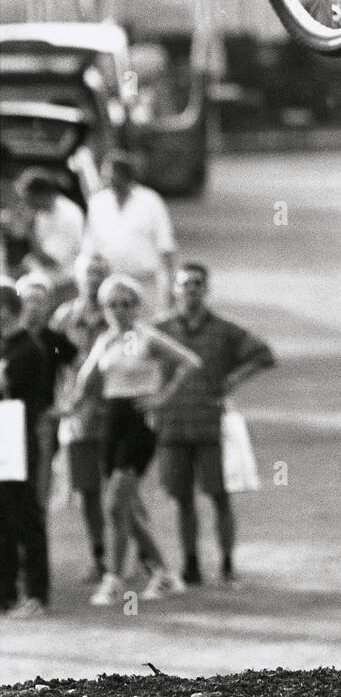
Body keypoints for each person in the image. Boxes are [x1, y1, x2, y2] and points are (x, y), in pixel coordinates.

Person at [71, 273, 201, 607]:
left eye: (126, 304)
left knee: (115, 502)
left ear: (137, 306)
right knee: (122, 506)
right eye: (112, 305)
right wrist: (69, 408)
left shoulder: (147, 337)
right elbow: (86, 381)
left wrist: (162, 397)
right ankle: (163, 573)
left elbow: (189, 362)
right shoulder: (105, 341)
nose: (119, 310)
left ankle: (114, 580)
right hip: (111, 422)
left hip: (139, 421)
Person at [153, 262, 276, 585]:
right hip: (174, 424)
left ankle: (226, 562)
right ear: (175, 290)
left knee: (219, 495)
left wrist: (232, 380)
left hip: (210, 424)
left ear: (206, 289)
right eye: (185, 284)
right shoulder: (160, 329)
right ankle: (190, 562)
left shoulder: (224, 330)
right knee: (182, 499)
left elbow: (263, 354)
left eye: (197, 283)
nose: (191, 289)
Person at [51, 251, 112, 580]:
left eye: (100, 273)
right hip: (78, 416)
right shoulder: (63, 318)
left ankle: (132, 556)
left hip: (113, 414)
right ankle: (99, 557)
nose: (94, 278)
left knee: (119, 489)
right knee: (88, 490)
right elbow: (53, 358)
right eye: (89, 272)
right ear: (78, 276)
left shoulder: (118, 315)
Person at [0, 279, 51, 617]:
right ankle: (5, 593)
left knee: (24, 516)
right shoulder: (6, 348)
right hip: (4, 435)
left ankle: (36, 594)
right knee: (2, 519)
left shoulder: (27, 351)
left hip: (16, 438)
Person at [81, 152, 176, 318]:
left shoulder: (150, 201)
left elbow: (166, 246)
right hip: (110, 284)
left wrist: (171, 287)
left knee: (146, 330)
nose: (106, 179)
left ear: (125, 175)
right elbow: (89, 249)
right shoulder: (97, 203)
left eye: (110, 175)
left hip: (144, 282)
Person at [16, 273, 77, 509]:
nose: (33, 306)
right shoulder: (8, 338)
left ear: (49, 304)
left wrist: (70, 404)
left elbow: (84, 370)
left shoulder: (55, 341)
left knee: (39, 490)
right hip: (10, 420)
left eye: (39, 300)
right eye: (28, 300)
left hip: (43, 421)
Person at [13, 168, 85, 303]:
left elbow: (50, 261)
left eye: (28, 199)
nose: (26, 204)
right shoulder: (40, 212)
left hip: (64, 289)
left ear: (41, 195)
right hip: (44, 284)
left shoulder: (69, 216)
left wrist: (30, 231)